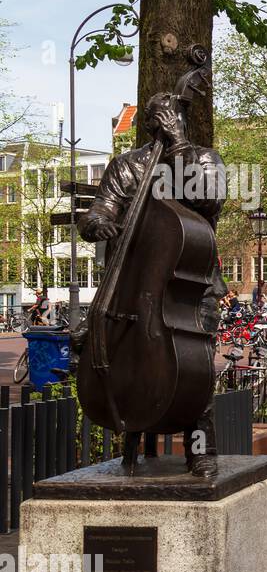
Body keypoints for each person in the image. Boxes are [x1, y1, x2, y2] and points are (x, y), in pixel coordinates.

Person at [77, 89, 227, 476]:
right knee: (133, 359)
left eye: (171, 117)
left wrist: (178, 144)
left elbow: (209, 200)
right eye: (158, 118)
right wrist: (98, 224)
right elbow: (99, 211)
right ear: (147, 122)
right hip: (135, 286)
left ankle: (200, 451)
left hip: (192, 285)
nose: (164, 122)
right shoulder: (126, 166)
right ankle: (130, 435)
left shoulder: (204, 159)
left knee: (195, 367)